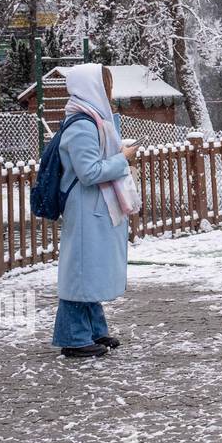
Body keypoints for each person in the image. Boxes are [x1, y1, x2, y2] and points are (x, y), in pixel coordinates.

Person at [52, 64, 139, 359]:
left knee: (90, 269)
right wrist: (123, 159)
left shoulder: (94, 120)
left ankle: (92, 329)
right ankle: (74, 337)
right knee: (80, 272)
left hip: (93, 206)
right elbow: (89, 172)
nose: (109, 91)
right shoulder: (82, 125)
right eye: (105, 85)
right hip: (85, 206)